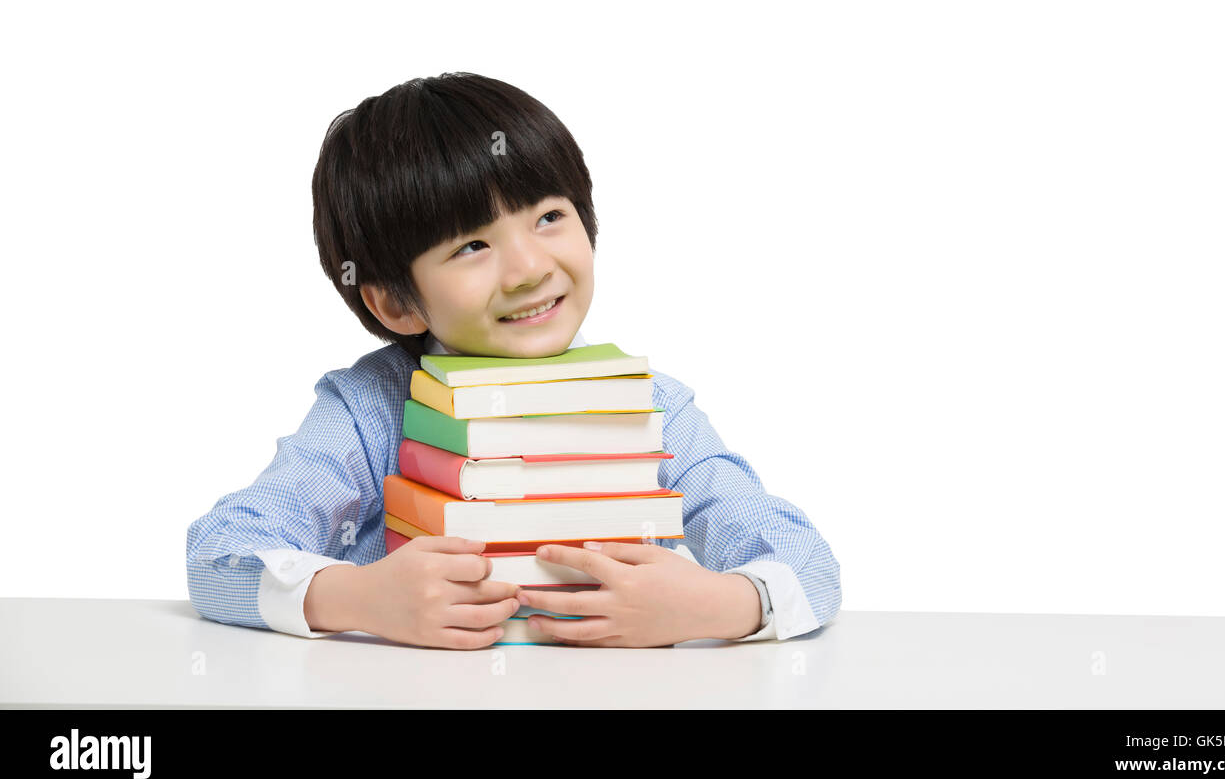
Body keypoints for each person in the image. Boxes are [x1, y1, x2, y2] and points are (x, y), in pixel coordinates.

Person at [186, 72, 841, 649]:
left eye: (550, 216)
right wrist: (356, 599)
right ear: (393, 303)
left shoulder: (652, 406)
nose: (531, 268)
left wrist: (720, 605)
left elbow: (806, 560)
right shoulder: (371, 410)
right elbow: (218, 555)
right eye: (472, 245)